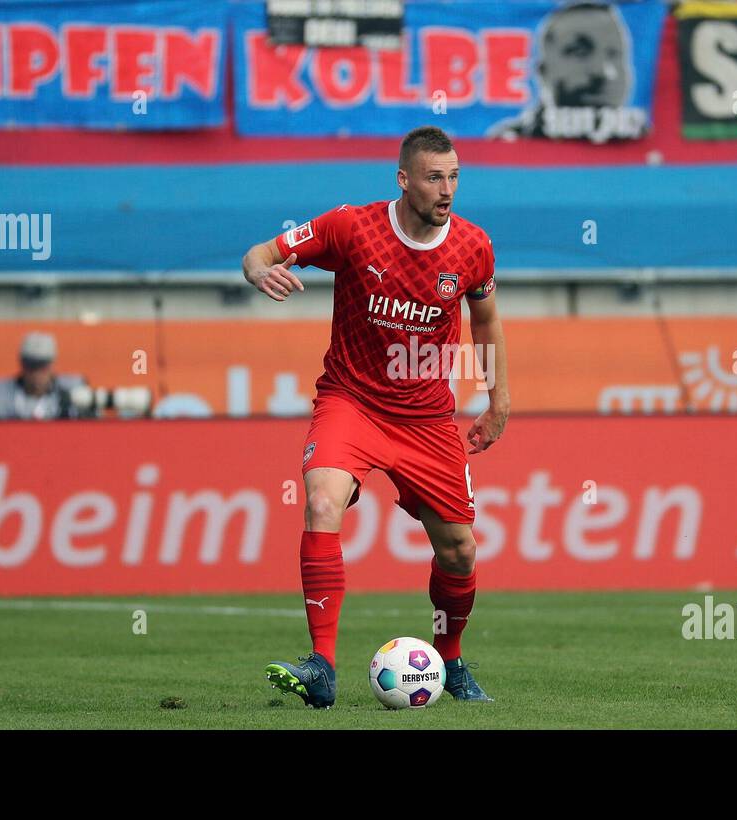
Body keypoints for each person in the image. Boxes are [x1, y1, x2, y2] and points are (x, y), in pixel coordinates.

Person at [241, 126, 510, 708]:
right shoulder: (350, 227)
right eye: (436, 177)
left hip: (427, 419)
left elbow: (485, 320)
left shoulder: (472, 246)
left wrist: (498, 399)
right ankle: (322, 665)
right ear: (404, 179)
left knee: (459, 550)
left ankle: (452, 658)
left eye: (455, 175)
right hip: (352, 401)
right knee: (319, 502)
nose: (448, 189)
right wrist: (259, 270)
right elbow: (261, 252)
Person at [485, 2, 644, 142]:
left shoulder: (643, 133)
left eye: (614, 54)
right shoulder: (512, 140)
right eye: (580, 52)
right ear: (542, 71)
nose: (603, 72)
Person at [0, 331, 88, 421]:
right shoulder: (0, 396)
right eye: (31, 366)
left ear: (52, 365)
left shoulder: (74, 391)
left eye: (42, 366)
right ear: (22, 364)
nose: (36, 373)